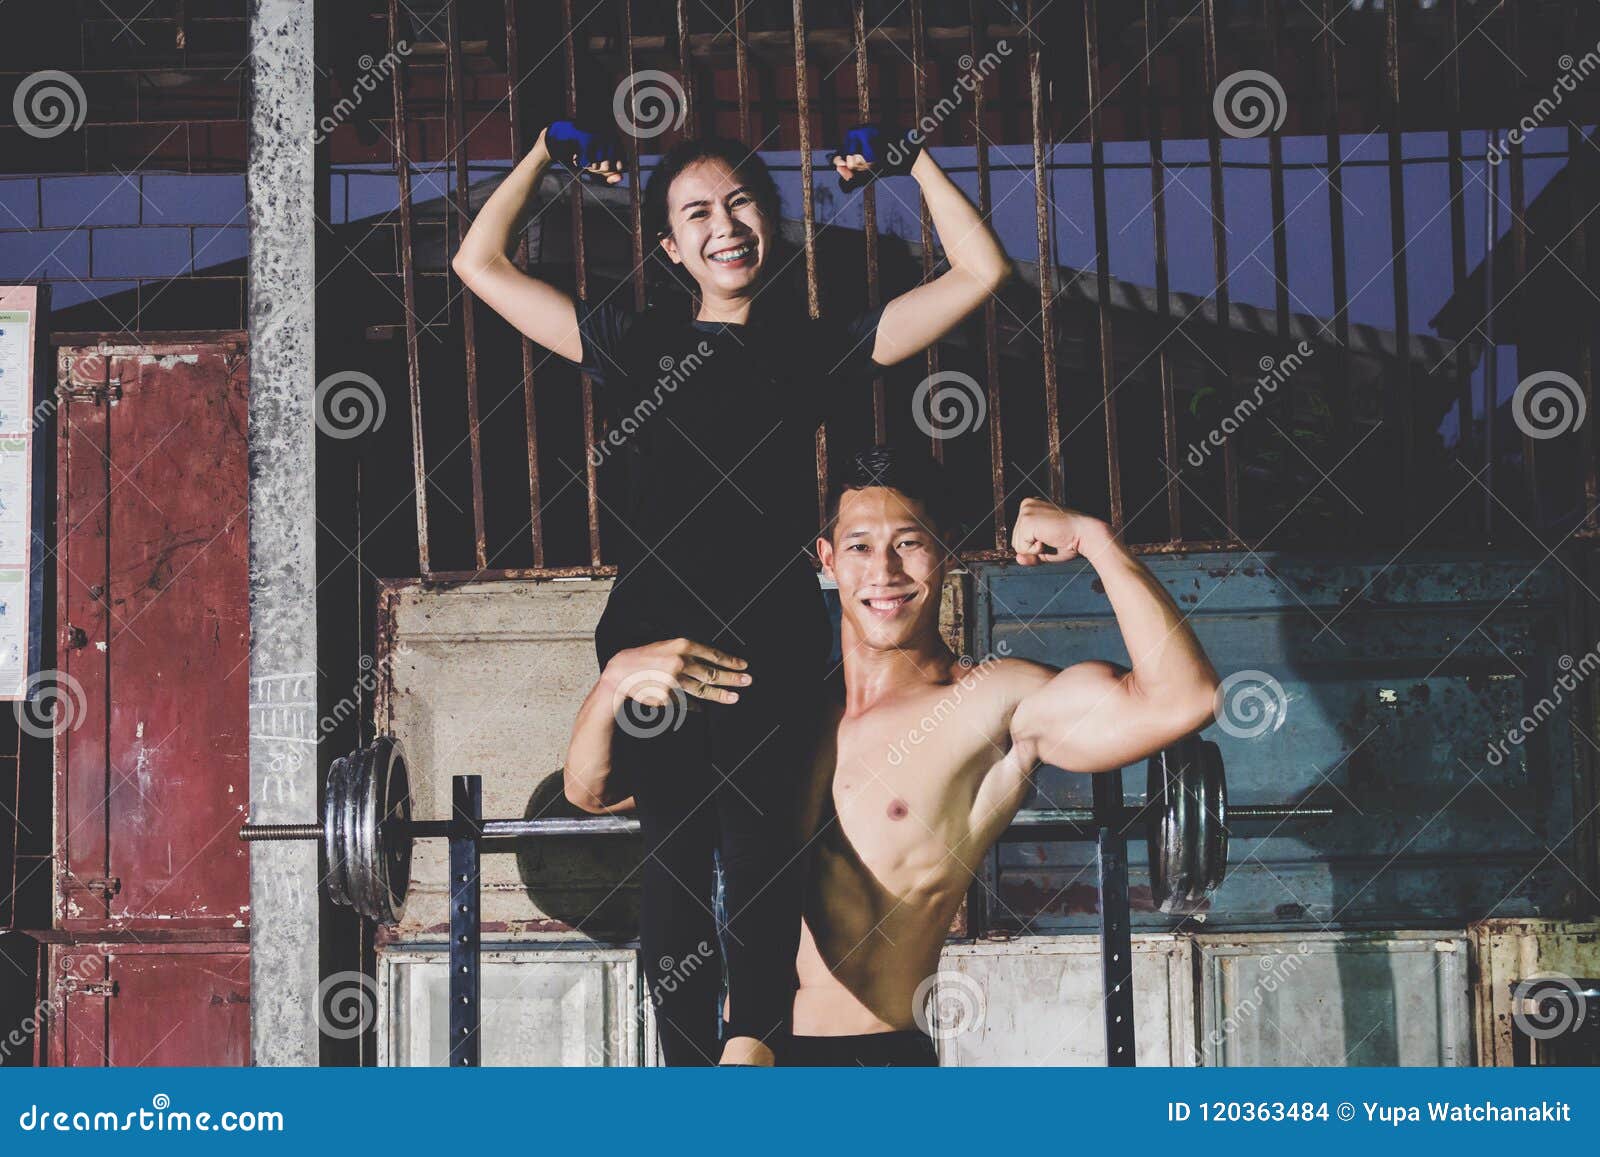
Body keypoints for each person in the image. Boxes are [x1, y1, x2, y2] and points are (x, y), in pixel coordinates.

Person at [456, 119, 1012, 1065]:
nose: (725, 225)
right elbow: (480, 262)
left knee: (764, 845)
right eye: (698, 213)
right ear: (671, 247)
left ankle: (753, 1046)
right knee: (675, 848)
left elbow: (979, 272)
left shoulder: (810, 350)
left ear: (772, 222)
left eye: (742, 202)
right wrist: (545, 155)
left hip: (772, 636)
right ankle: (689, 1069)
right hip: (654, 639)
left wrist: (911, 160)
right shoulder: (636, 343)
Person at [566, 445, 1222, 1066]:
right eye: (860, 546)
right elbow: (596, 791)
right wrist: (613, 682)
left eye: (909, 543)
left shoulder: (989, 700)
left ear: (946, 552)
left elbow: (1181, 700)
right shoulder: (783, 710)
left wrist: (1097, 540)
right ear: (827, 559)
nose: (884, 572)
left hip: (871, 1060)